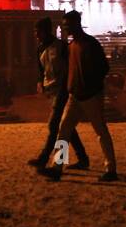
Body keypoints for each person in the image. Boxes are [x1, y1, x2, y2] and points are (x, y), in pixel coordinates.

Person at [43, 10, 118, 182]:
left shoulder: (90, 44)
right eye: (65, 26)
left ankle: (111, 168)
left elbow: (103, 68)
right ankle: (57, 166)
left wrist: (91, 86)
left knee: (100, 131)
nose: (66, 29)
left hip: (90, 95)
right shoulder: (72, 46)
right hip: (75, 95)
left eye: (68, 25)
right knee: (63, 131)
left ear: (77, 24)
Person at [28, 17, 88, 172]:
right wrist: (41, 83)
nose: (36, 34)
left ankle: (48, 159)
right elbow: (42, 71)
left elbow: (69, 69)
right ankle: (82, 158)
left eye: (38, 31)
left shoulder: (61, 47)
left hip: (63, 91)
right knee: (66, 126)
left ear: (46, 31)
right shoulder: (40, 49)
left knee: (55, 125)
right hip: (52, 92)